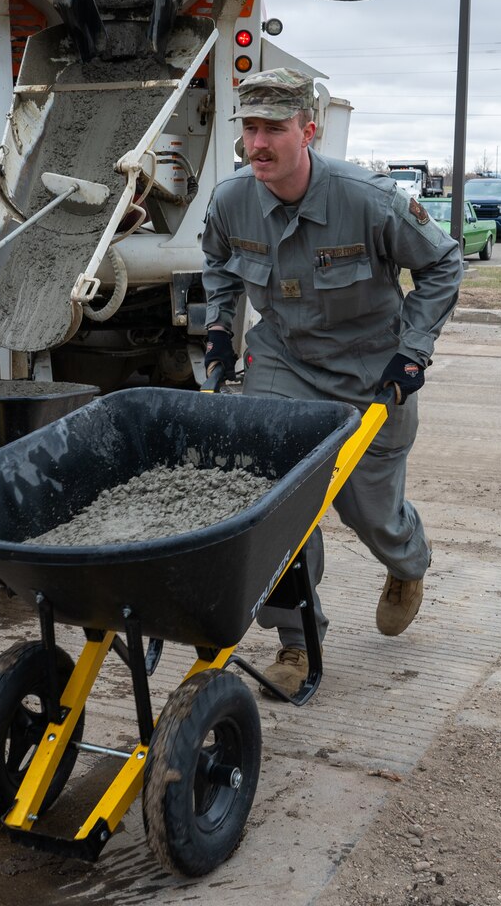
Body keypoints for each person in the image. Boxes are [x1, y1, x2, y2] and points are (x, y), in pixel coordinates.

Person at [201, 69, 462, 698]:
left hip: (371, 372)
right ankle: (296, 641)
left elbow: (444, 263)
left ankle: (406, 563)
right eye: (249, 128)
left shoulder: (369, 200)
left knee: (367, 510)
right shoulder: (231, 199)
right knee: (275, 508)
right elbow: (218, 264)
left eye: (273, 129)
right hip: (283, 362)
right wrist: (218, 332)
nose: (257, 144)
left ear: (308, 131)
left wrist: (413, 354)